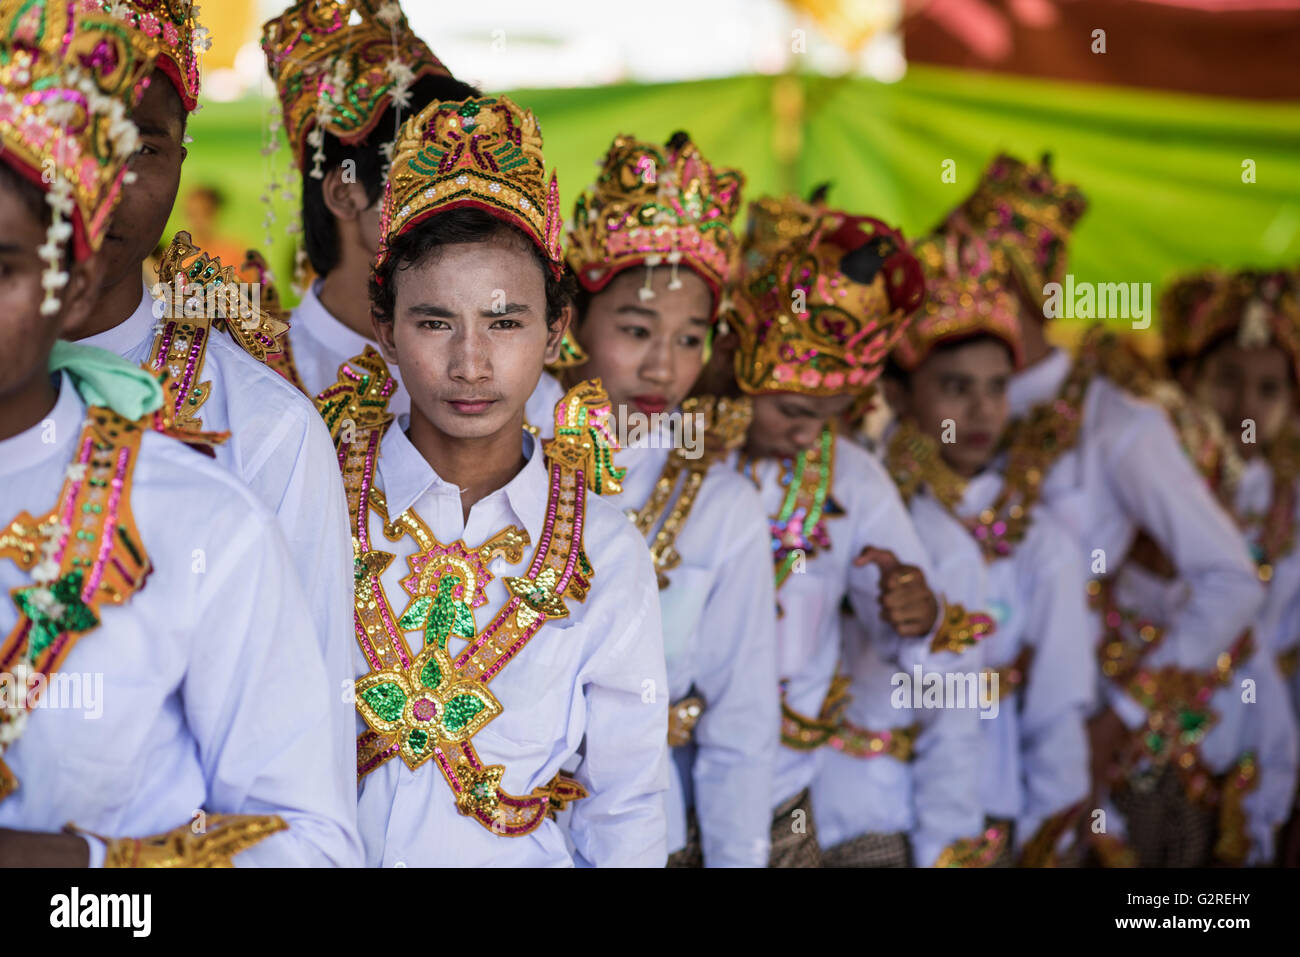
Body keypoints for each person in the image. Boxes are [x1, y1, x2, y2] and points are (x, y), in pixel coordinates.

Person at [0, 1, 359, 868]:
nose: (97, 178)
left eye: (142, 146)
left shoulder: (257, 441)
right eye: (63, 135)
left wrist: (78, 875)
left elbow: (303, 828)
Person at [320, 94, 670, 866]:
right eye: (436, 322)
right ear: (385, 327)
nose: (470, 364)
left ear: (554, 330)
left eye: (505, 323)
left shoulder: (604, 551)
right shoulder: (314, 501)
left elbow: (628, 801)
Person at [939, 152, 1266, 866]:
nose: (965, 292)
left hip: (1073, 727)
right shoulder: (930, 401)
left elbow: (1231, 577)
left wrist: (1120, 717)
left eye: (987, 275)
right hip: (945, 729)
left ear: (1033, 291)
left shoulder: (1113, 419)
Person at [524, 132, 778, 867]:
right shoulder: (494, 442)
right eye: (637, 329)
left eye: (691, 337)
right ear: (570, 318)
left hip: (639, 833)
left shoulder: (721, 502)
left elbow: (741, 724)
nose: (664, 364)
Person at [703, 197, 954, 866]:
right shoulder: (683, 454)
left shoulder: (853, 476)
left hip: (782, 802)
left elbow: (930, 643)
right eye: (790, 409)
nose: (809, 431)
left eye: (829, 413)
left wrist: (917, 611)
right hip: (663, 794)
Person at [867, 232, 1093, 866]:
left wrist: (1056, 834)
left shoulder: (1041, 539)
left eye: (996, 388)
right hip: (865, 803)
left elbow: (1057, 706)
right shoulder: (864, 508)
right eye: (956, 387)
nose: (981, 410)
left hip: (990, 801)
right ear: (899, 393)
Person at [261, 0, 479, 408]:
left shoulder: (511, 377)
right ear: (344, 192)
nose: (463, 203)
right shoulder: (247, 374)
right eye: (429, 171)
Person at [1157, 267, 1300, 865]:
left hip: (1254, 754)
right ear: (1188, 379)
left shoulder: (1292, 507)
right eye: (1227, 380)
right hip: (1145, 746)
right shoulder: (1155, 489)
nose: (1244, 406)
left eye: (1269, 389)